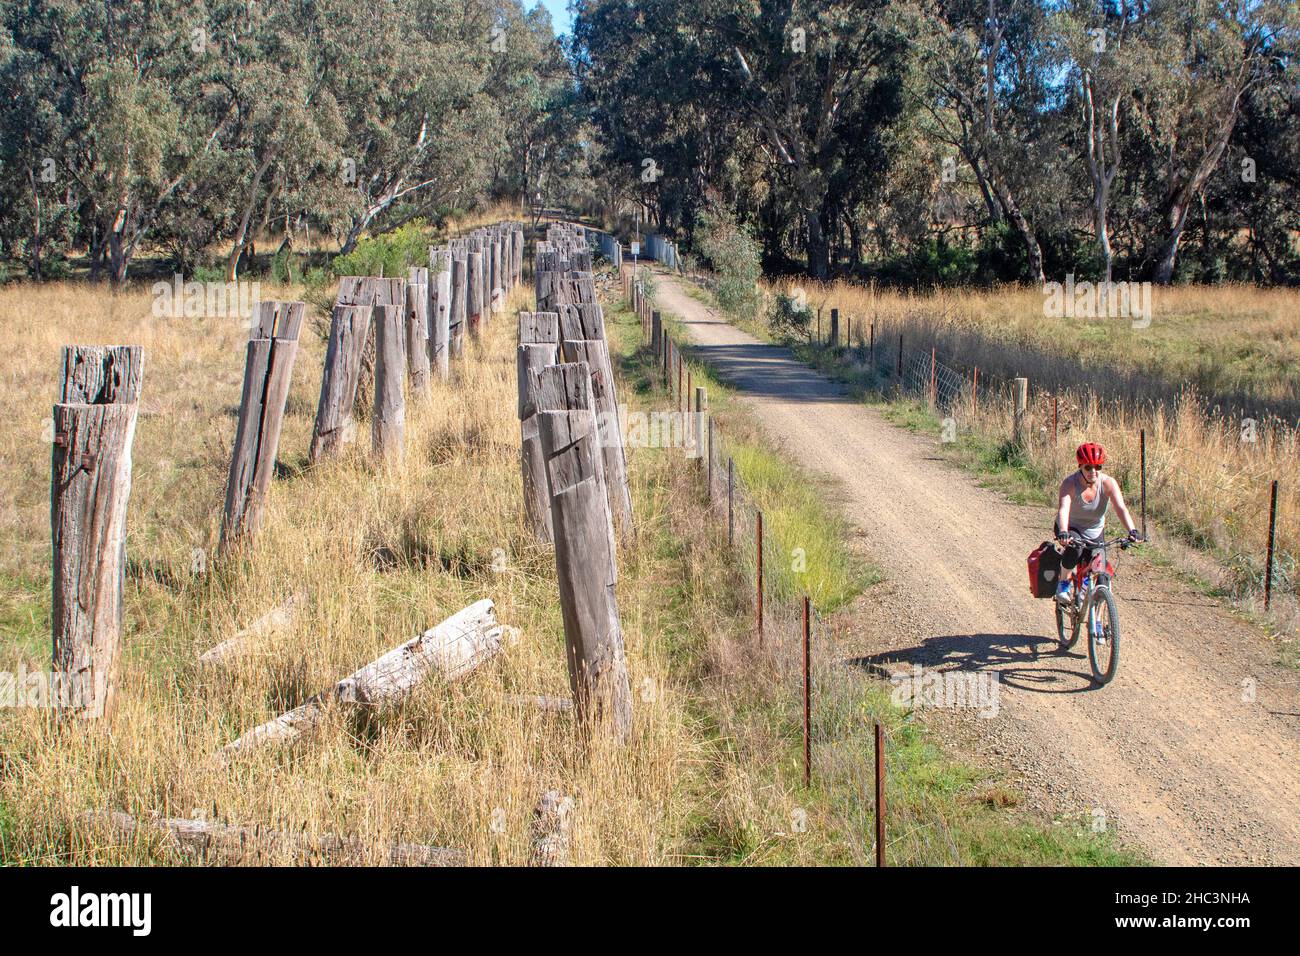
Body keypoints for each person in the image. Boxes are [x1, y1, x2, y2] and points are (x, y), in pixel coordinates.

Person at [1054, 442, 1141, 604]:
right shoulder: (1070, 484)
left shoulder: (1108, 483)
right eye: (1088, 467)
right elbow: (1063, 510)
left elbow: (1121, 508)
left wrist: (1132, 530)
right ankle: (1063, 583)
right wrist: (1064, 532)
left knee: (1100, 571)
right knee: (1075, 550)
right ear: (1080, 466)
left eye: (1098, 467)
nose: (1093, 472)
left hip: (1094, 530)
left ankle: (1099, 621)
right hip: (1071, 526)